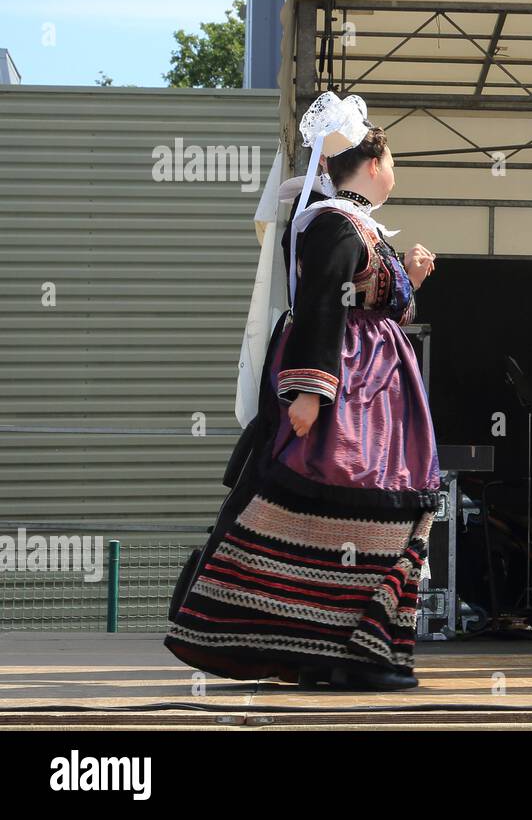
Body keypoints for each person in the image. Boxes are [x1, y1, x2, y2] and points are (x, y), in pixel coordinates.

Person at [166, 92, 441, 691]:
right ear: (371, 165)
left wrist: (409, 279)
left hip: (377, 391)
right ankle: (328, 648)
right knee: (342, 499)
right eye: (391, 159)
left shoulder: (356, 226)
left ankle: (346, 649)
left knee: (374, 512)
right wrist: (311, 392)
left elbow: (369, 305)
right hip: (353, 389)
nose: (395, 171)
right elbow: (320, 305)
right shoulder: (335, 225)